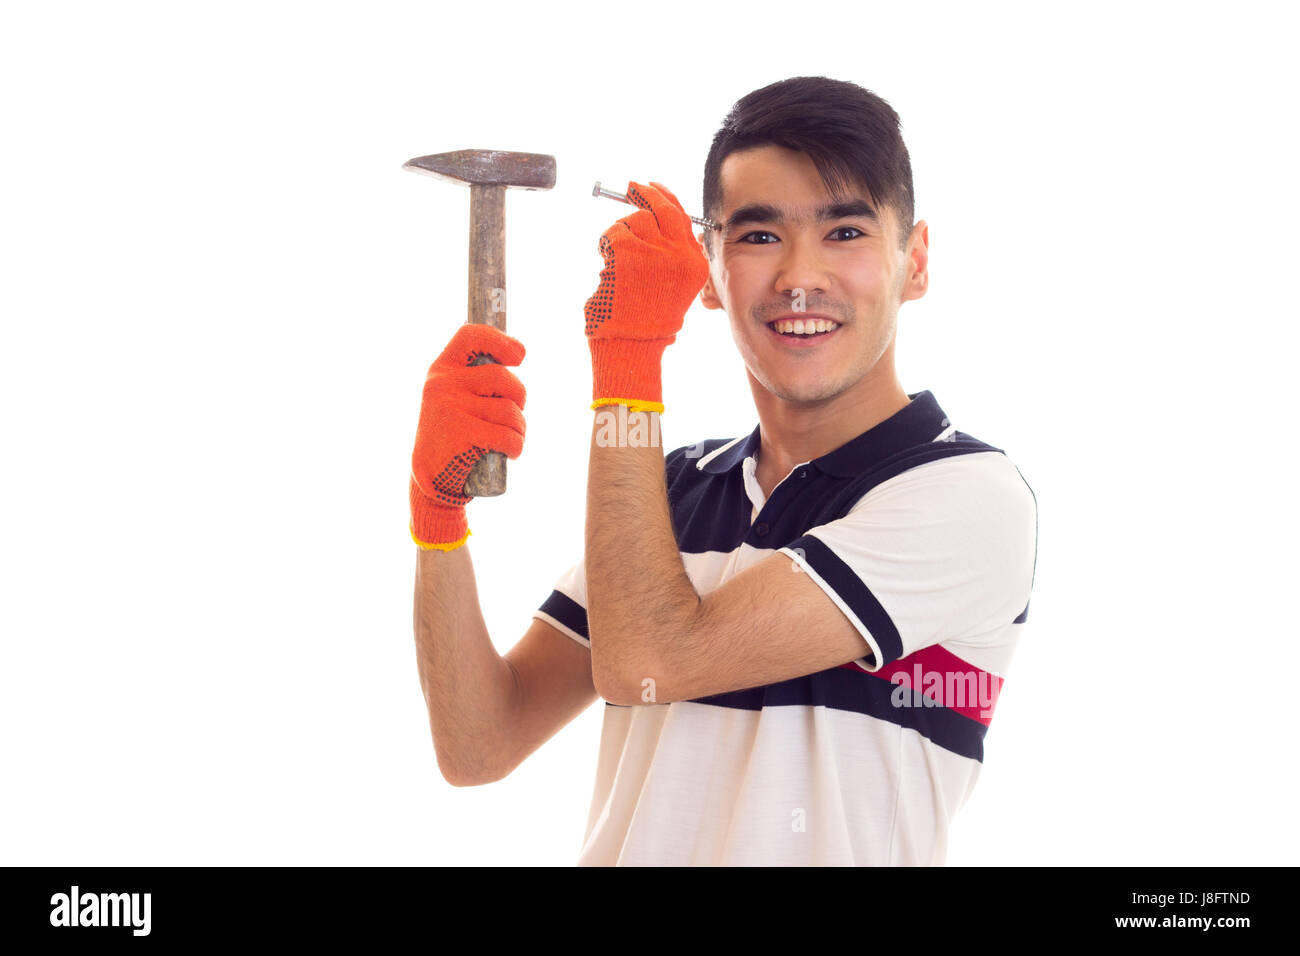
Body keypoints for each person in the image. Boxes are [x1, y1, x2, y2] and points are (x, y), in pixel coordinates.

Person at [408, 76, 1039, 866]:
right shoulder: (669, 492)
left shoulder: (967, 496)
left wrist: (628, 359)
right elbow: (479, 745)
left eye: (845, 233)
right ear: (706, 272)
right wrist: (437, 523)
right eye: (759, 236)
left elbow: (650, 664)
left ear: (914, 262)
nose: (799, 277)